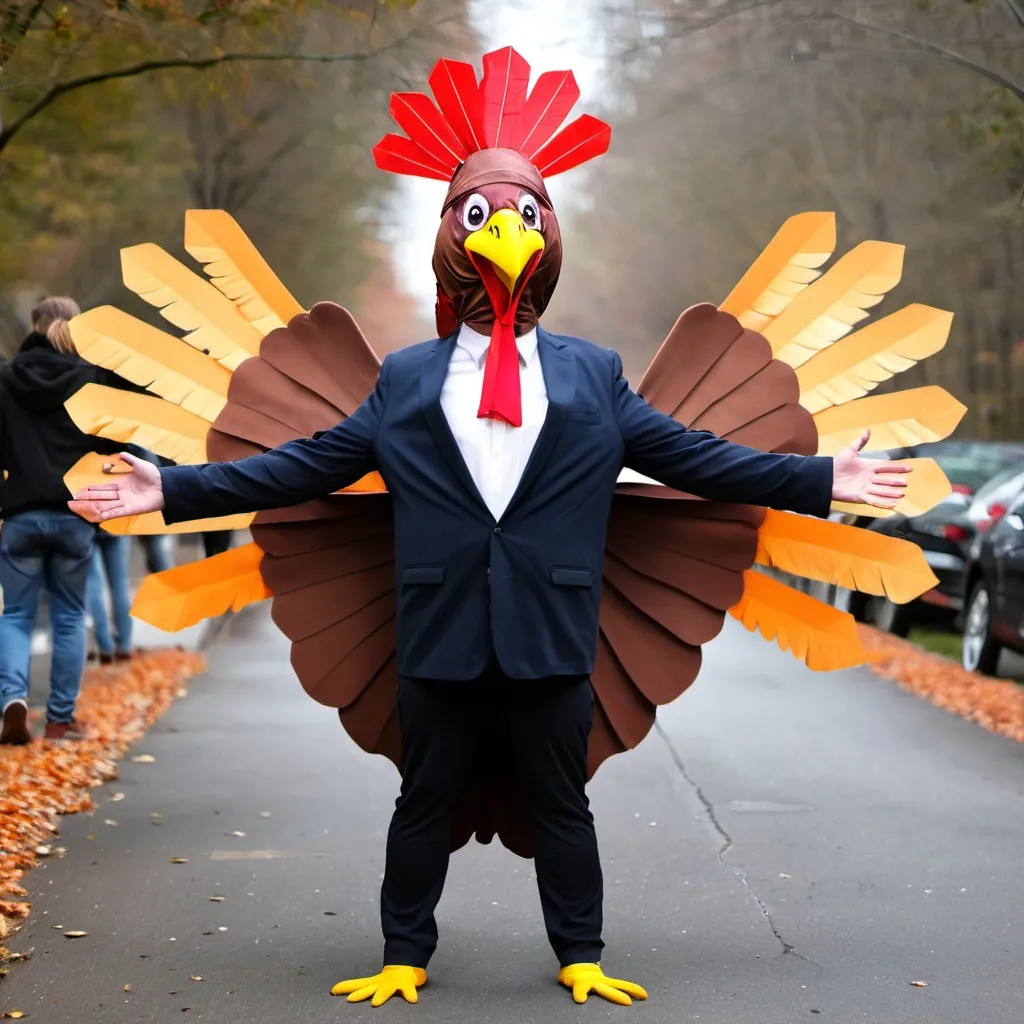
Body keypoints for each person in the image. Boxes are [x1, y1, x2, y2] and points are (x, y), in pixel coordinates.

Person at [67, 47, 915, 1009]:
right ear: (451, 239)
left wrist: (819, 478)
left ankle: (581, 954)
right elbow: (305, 467)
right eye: (482, 214)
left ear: (546, 236)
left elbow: (693, 457)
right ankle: (403, 955)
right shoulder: (407, 379)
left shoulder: (595, 374)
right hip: (438, 636)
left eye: (521, 215)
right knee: (421, 805)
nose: (502, 232)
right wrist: (170, 492)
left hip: (554, 636)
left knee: (563, 805)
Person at [0, 297, 145, 743]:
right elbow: (126, 431)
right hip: (75, 514)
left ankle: (12, 698)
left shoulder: (5, 377)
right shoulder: (92, 376)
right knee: (68, 617)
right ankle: (60, 720)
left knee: (17, 615)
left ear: (34, 324)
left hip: (20, 512)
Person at [87, 531, 133, 664]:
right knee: (120, 584)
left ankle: (105, 645)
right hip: (116, 521)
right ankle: (124, 645)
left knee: (92, 583)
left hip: (88, 523)